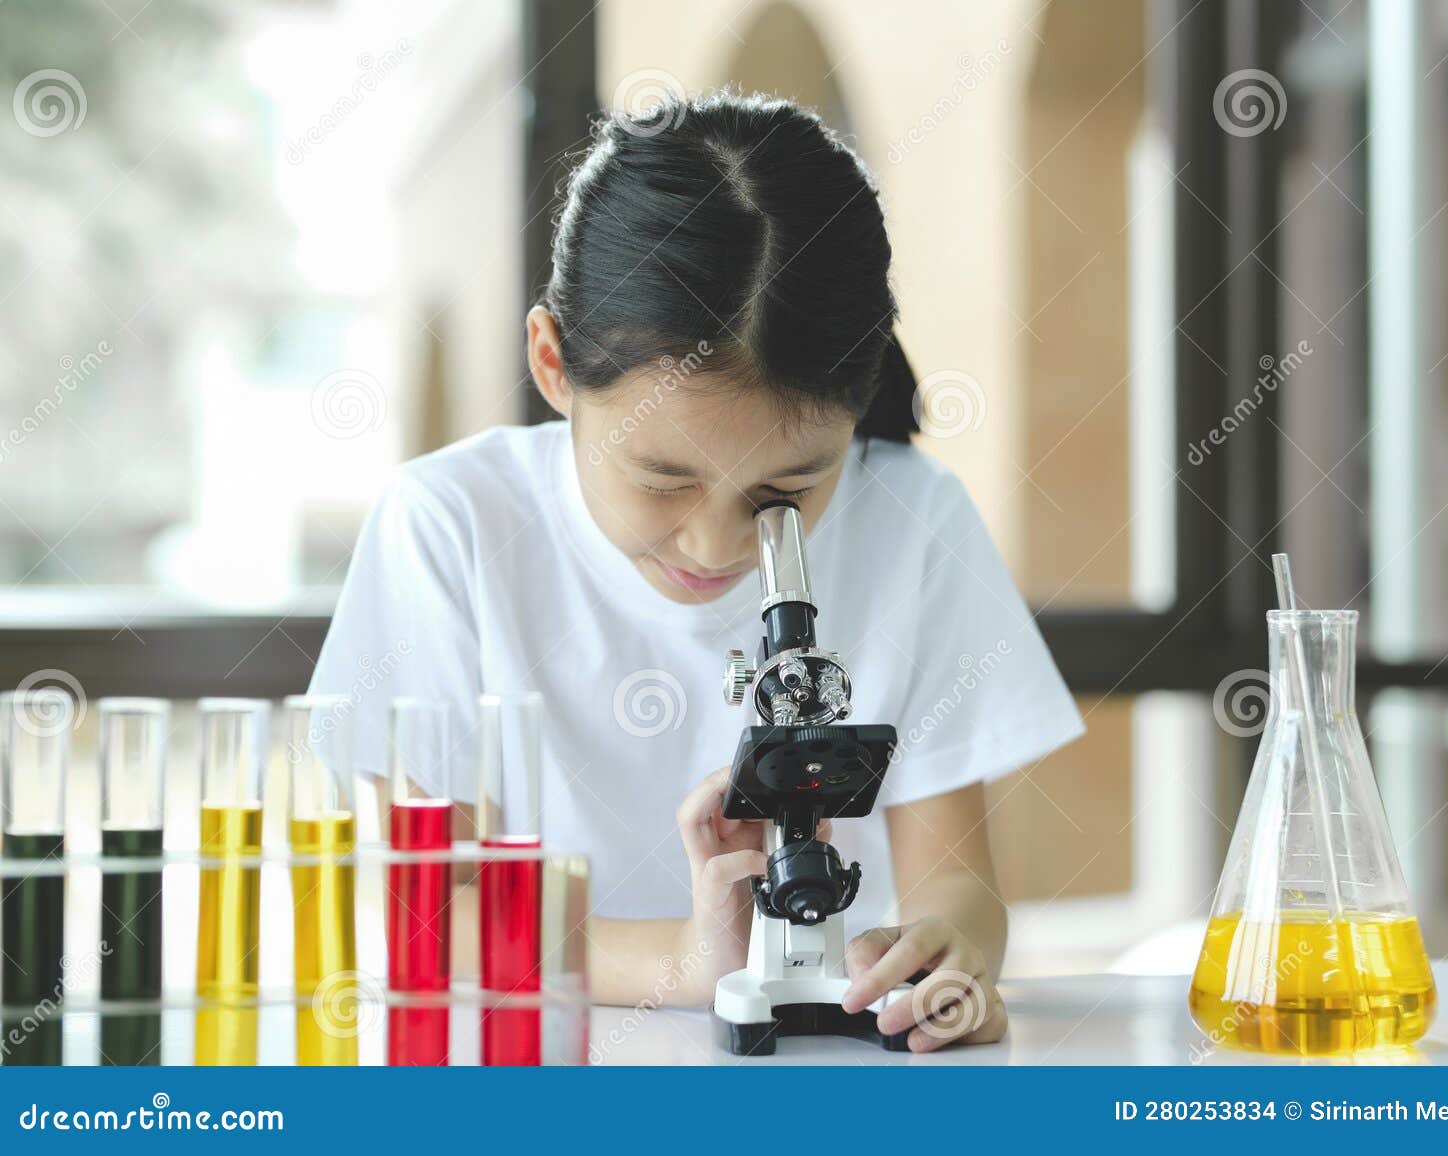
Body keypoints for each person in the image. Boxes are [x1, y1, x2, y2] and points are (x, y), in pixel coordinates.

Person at [309, 90, 1083, 1052]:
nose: (717, 549)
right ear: (553, 365)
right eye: (661, 479)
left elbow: (957, 879)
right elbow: (424, 912)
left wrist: (946, 955)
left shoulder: (914, 518)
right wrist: (687, 961)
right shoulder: (452, 527)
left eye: (788, 489)